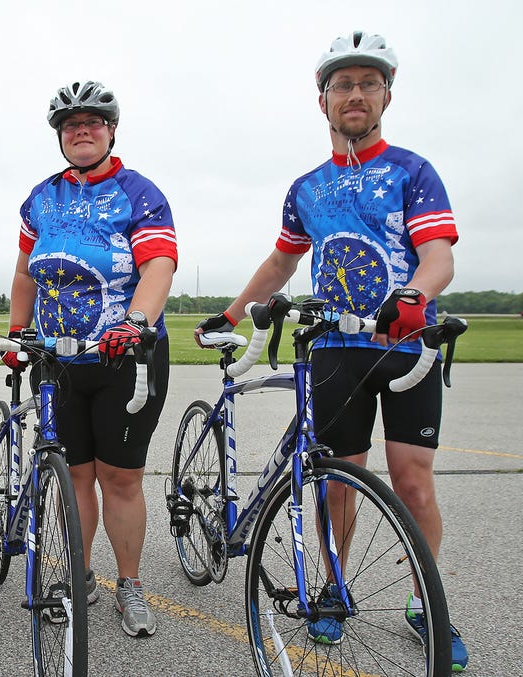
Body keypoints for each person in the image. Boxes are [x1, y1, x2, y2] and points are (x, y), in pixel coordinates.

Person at [194, 31, 469, 670]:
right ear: (323, 100)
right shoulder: (307, 188)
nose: (355, 94)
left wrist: (414, 296)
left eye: (368, 83)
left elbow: (438, 257)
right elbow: (282, 262)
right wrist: (231, 314)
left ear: (387, 96)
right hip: (335, 350)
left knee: (412, 482)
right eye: (343, 85)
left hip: (403, 344)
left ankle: (426, 605)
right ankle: (332, 589)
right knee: (336, 483)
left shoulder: (412, 172)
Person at [4, 80, 177, 638]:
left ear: (111, 130)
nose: (82, 131)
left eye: (92, 122)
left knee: (119, 478)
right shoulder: (41, 197)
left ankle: (130, 583)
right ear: (60, 136)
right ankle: (79, 574)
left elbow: (158, 265)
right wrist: (17, 332)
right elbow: (25, 273)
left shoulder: (138, 192)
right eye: (71, 124)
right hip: (59, 360)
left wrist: (136, 322)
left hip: (124, 357)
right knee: (75, 474)